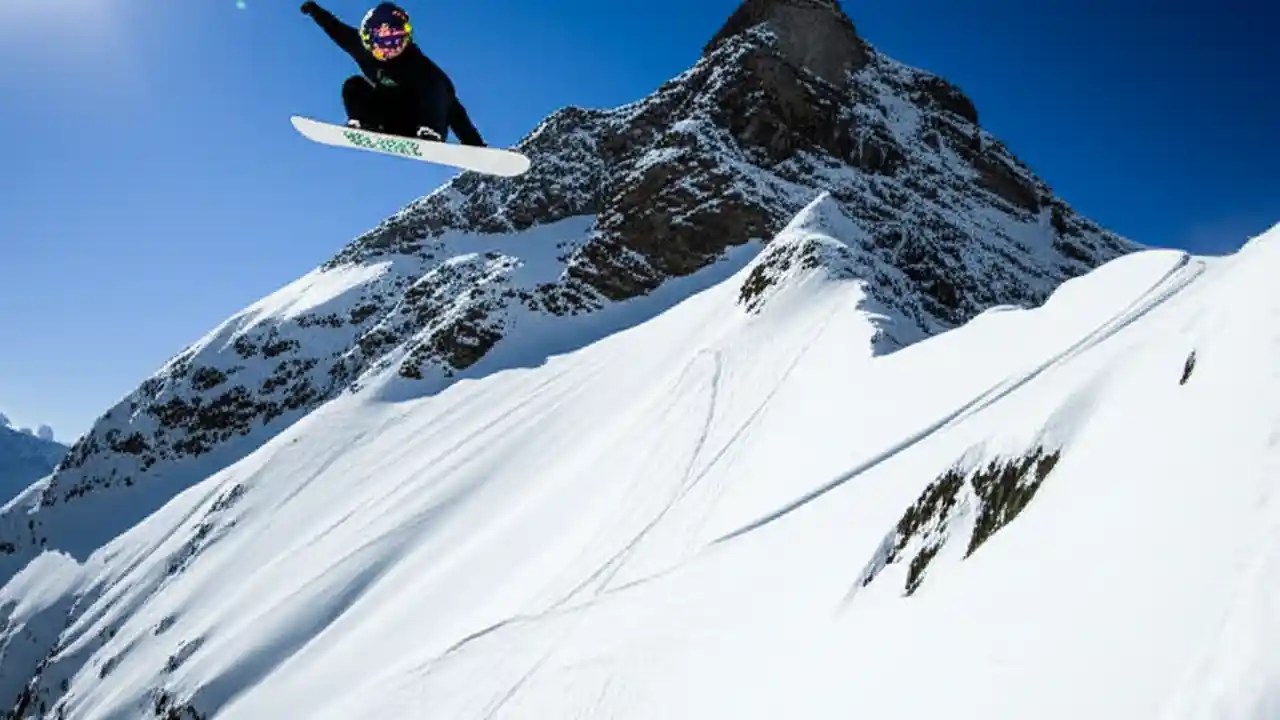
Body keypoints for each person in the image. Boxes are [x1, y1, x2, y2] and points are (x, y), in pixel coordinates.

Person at [300, 1, 485, 146]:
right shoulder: (361, 49)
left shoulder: (420, 67)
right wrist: (315, 11)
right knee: (353, 85)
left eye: (396, 42)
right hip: (388, 118)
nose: (390, 50)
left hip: (419, 121)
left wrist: (474, 145)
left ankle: (430, 132)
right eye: (383, 44)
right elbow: (335, 29)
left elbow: (453, 109)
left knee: (435, 86)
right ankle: (365, 123)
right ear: (368, 41)